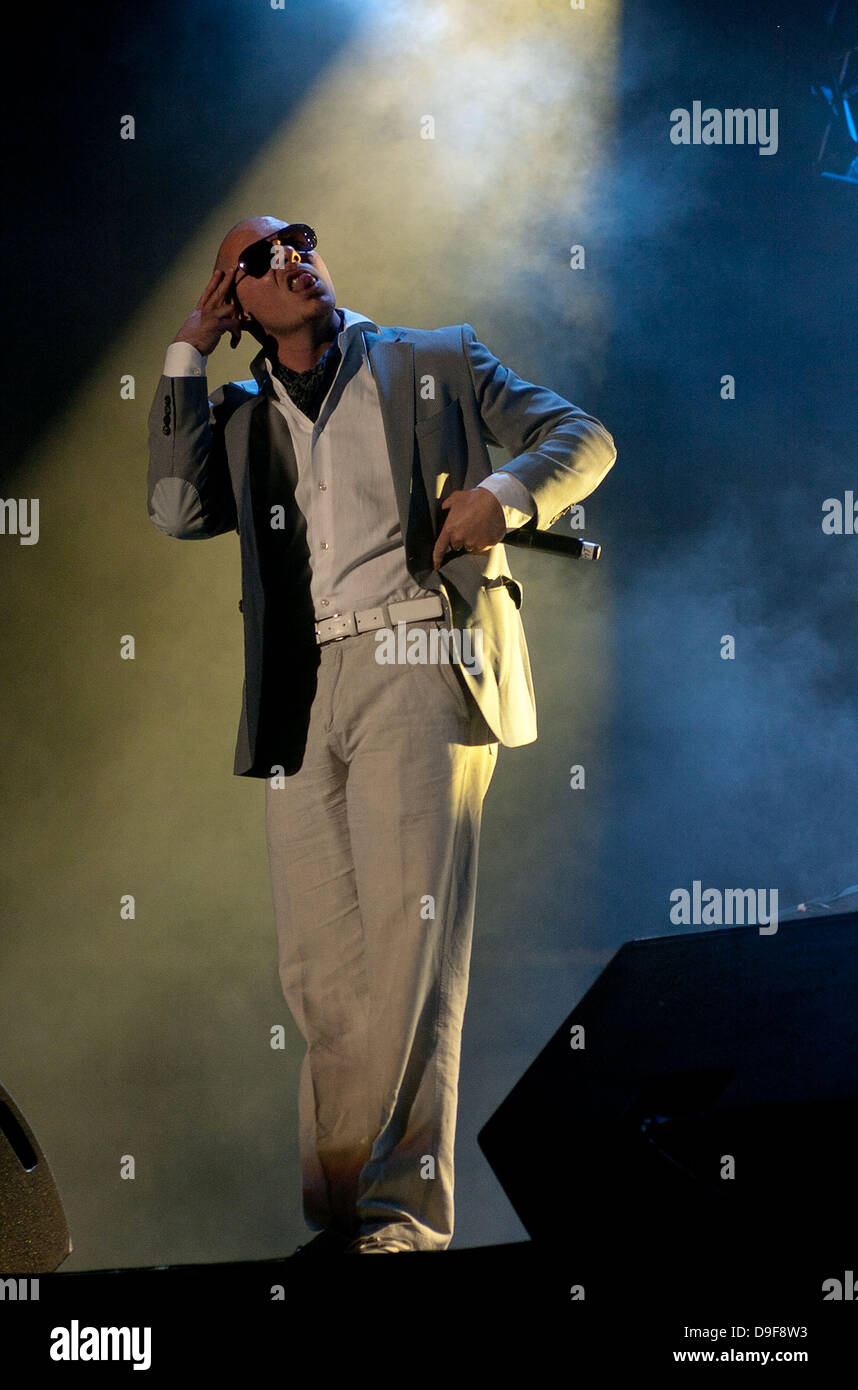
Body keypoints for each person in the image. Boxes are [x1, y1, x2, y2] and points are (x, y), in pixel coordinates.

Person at [147, 215, 616, 1254]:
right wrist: (186, 345)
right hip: (303, 687)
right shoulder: (234, 412)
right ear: (236, 300)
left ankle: (402, 1213)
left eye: (300, 241)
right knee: (321, 968)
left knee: (409, 951)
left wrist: (504, 494)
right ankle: (341, 1209)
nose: (293, 260)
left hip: (418, 652)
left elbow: (583, 436)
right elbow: (176, 508)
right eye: (260, 258)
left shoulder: (432, 356)